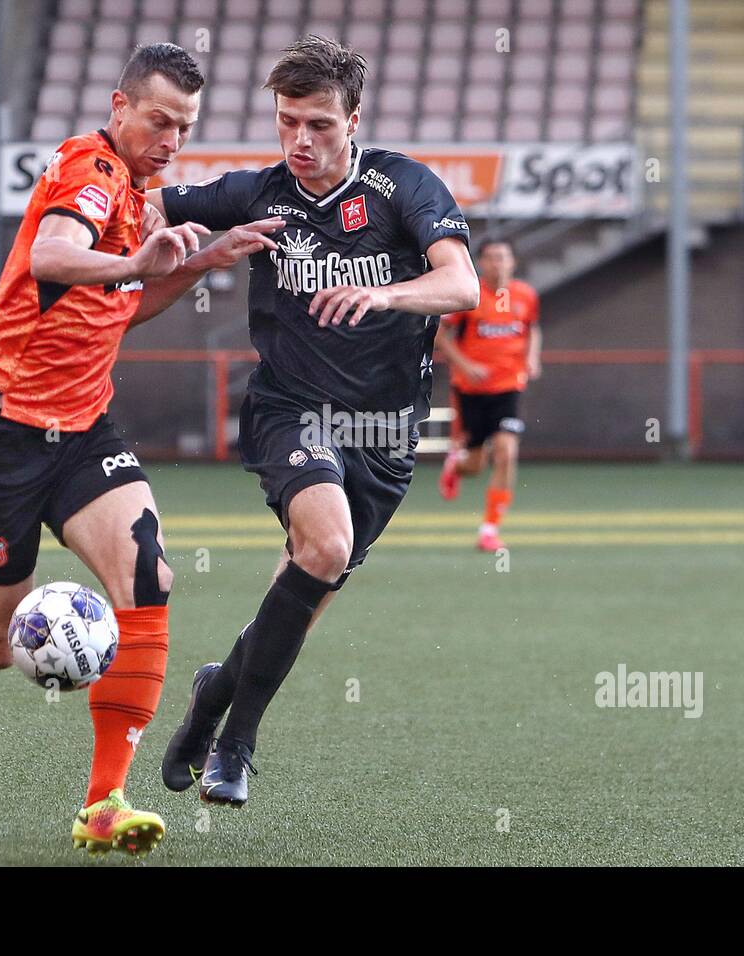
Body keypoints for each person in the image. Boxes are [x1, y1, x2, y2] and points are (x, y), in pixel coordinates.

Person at [0, 43, 282, 857]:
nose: (171, 139)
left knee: (147, 578)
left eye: (185, 126)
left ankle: (104, 804)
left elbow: (121, 305)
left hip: (82, 429)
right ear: (118, 108)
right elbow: (49, 254)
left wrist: (203, 260)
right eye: (158, 120)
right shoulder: (92, 167)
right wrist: (134, 258)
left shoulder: (143, 197)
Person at [144, 35, 480, 807]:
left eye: (319, 124)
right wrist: (159, 249)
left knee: (307, 585)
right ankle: (236, 744)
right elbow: (143, 201)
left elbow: (460, 285)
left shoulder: (403, 188)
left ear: (353, 119)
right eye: (288, 121)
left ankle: (212, 696)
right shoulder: (259, 193)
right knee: (325, 544)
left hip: (385, 438)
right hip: (292, 411)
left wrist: (387, 293)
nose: (301, 139)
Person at [434, 239, 541, 552]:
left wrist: (533, 357)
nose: (498, 263)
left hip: (509, 386)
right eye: (492, 258)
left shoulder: (526, 295)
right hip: (471, 390)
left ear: (513, 262)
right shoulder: (470, 295)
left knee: (507, 452)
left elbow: (532, 327)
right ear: (481, 263)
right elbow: (441, 335)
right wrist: (466, 366)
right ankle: (457, 465)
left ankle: (490, 529)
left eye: (504, 257)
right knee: (476, 465)